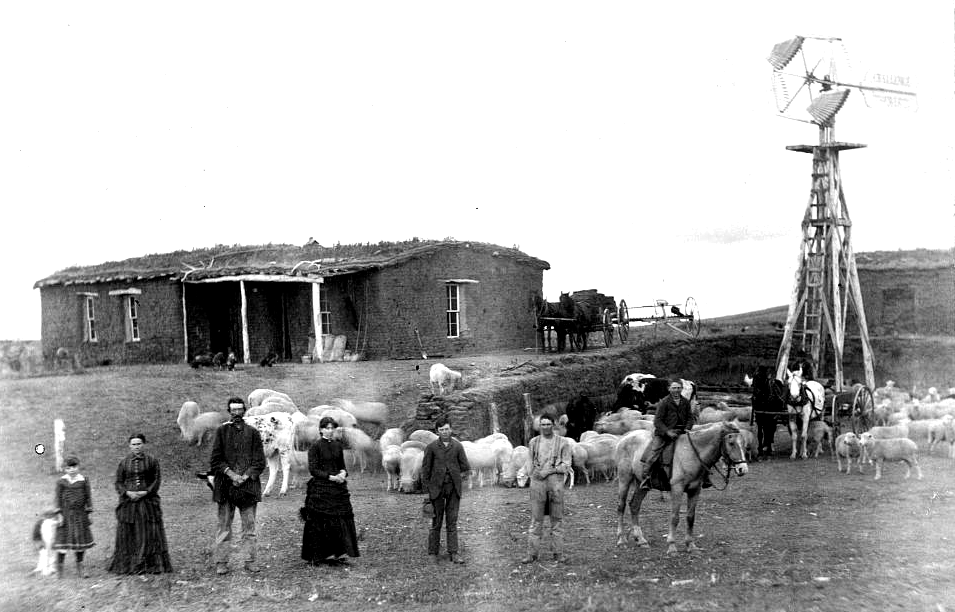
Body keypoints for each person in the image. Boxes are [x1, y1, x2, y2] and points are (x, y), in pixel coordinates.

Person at [210, 396, 266, 575]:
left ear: (244, 411)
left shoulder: (253, 433)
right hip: (226, 487)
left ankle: (250, 561)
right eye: (233, 410)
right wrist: (232, 474)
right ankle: (221, 562)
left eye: (239, 410)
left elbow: (259, 461)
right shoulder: (221, 432)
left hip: (247, 487)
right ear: (229, 411)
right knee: (224, 526)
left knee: (249, 528)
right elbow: (215, 460)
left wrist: (245, 476)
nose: (236, 413)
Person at [107, 434, 174, 574]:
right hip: (129, 502)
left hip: (147, 501)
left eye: (139, 444)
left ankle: (150, 565)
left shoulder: (152, 461)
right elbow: (118, 482)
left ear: (143, 444)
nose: (136, 447)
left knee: (148, 531)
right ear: (129, 446)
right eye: (133, 444)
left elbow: (156, 480)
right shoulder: (124, 462)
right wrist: (127, 493)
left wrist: (146, 492)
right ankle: (129, 565)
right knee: (129, 532)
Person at [300, 416, 360, 566]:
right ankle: (318, 556)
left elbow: (342, 466)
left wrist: (342, 474)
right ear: (320, 430)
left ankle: (337, 553)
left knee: (340, 521)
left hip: (338, 489)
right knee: (320, 522)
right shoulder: (315, 447)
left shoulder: (338, 445)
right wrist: (331, 477)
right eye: (327, 428)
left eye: (332, 428)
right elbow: (313, 470)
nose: (330, 430)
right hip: (321, 489)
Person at [521, 413, 572, 564]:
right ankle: (532, 554)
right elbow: (529, 461)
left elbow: (566, 464)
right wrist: (531, 475)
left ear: (554, 424)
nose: (545, 427)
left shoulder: (563, 443)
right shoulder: (534, 442)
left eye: (548, 424)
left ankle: (558, 554)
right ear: (539, 426)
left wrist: (549, 471)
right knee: (536, 520)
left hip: (555, 484)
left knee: (557, 520)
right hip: (538, 485)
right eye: (542, 425)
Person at [420, 416, 470, 564]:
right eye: (441, 430)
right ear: (437, 431)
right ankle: (433, 553)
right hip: (436, 490)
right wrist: (429, 490)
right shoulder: (431, 447)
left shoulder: (458, 446)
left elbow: (465, 467)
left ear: (451, 429)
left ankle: (453, 553)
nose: (444, 432)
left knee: (452, 521)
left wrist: (460, 478)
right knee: (436, 522)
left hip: (454, 489)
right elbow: (425, 470)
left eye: (447, 429)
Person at [640, 380, 703, 490]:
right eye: (674, 388)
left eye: (679, 388)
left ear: (681, 389)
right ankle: (646, 477)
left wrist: (688, 428)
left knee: (697, 450)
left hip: (681, 432)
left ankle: (703, 477)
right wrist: (667, 432)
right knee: (654, 452)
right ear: (669, 389)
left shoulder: (685, 402)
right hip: (664, 433)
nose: (676, 390)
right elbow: (657, 421)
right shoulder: (664, 402)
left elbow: (690, 417)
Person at [53, 456, 94, 578]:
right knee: (63, 541)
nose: (72, 470)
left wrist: (89, 512)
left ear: (78, 467)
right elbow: (58, 499)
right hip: (65, 515)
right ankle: (59, 569)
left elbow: (88, 497)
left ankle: (80, 567)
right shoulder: (61, 482)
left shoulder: (84, 480)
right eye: (68, 468)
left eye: (74, 467)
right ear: (65, 469)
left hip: (80, 514)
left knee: (80, 541)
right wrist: (59, 514)